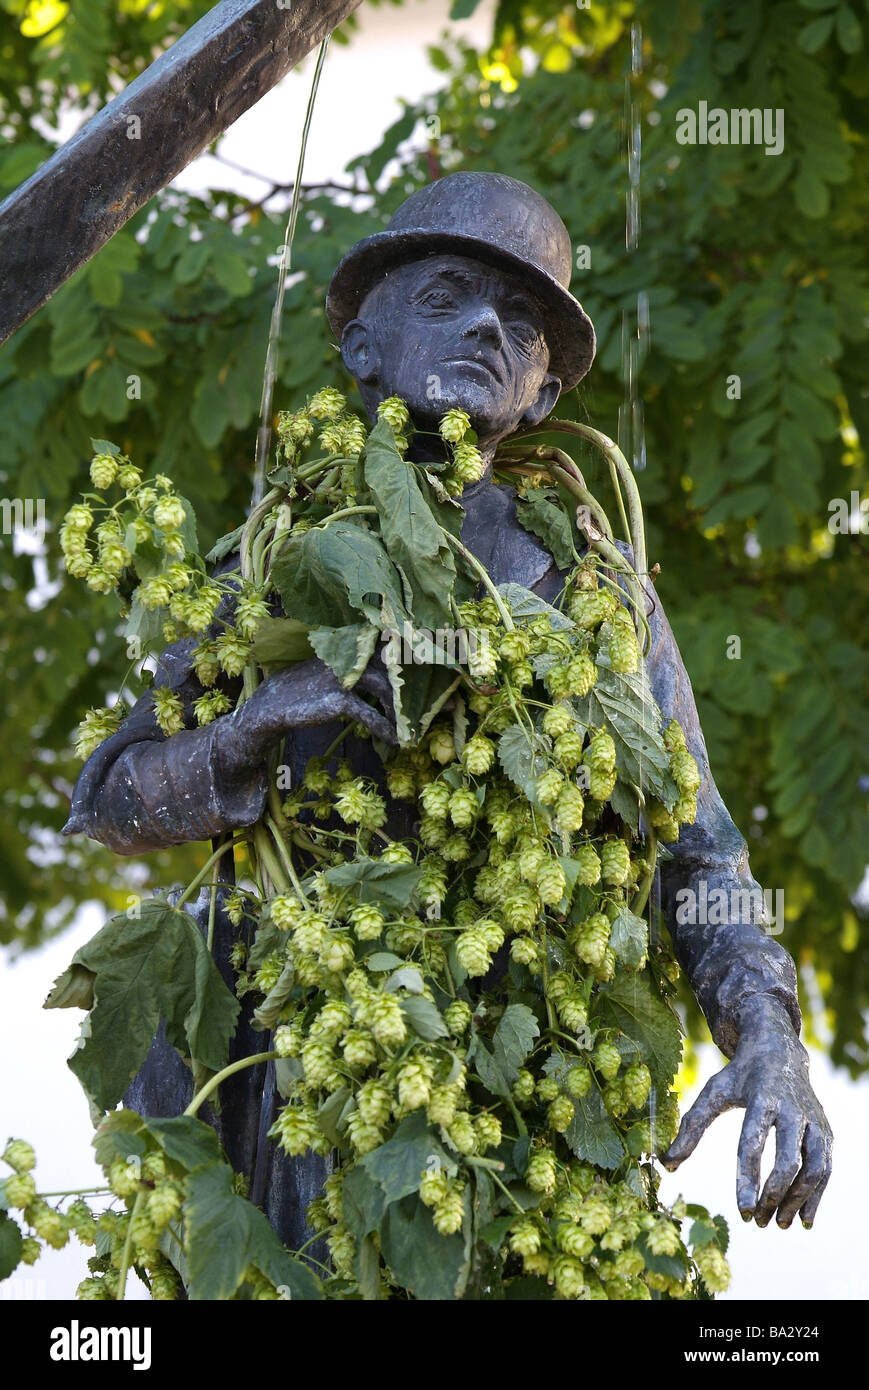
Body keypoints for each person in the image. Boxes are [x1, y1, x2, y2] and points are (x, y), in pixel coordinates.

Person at [63, 171, 831, 1246]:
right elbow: (104, 798)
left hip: (530, 1107)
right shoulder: (275, 567)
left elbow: (699, 861)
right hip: (313, 1086)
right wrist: (252, 723)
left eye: (522, 323)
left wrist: (769, 1040)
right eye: (447, 297)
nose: (486, 325)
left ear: (544, 397)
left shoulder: (596, 595)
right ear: (362, 347)